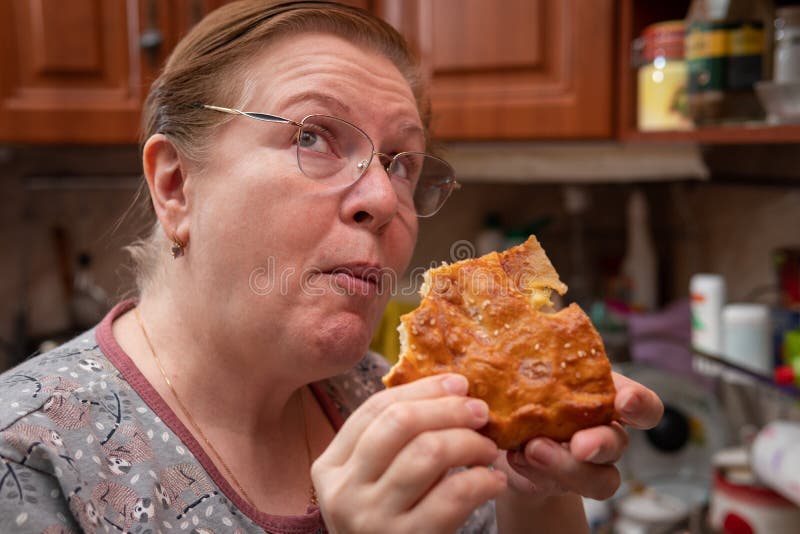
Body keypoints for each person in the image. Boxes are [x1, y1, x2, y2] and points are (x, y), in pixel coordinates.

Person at [0, 1, 663, 532]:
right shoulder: (26, 460)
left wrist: (535, 495)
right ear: (176, 186)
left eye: (401, 163)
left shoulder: (400, 401)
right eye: (312, 137)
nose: (384, 198)